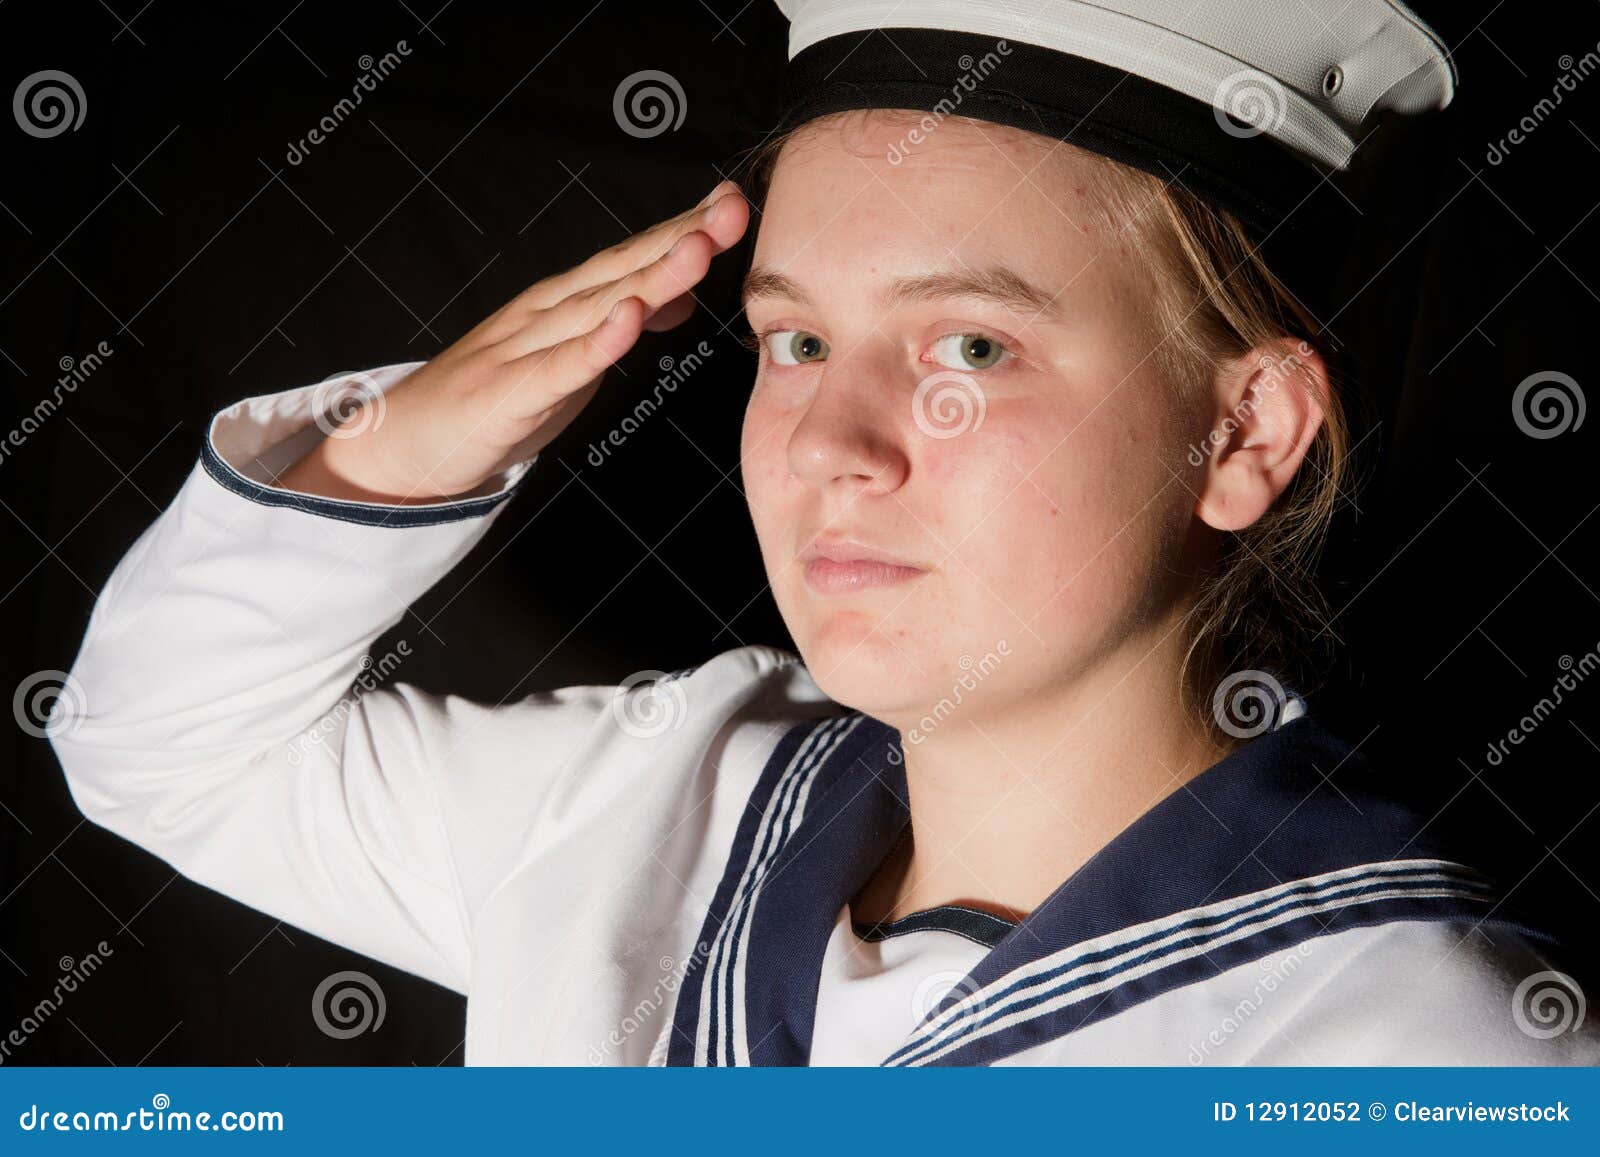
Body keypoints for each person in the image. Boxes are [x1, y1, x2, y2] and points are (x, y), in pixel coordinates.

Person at [48, 0, 1600, 1065]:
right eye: (793, 342)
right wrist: (400, 448)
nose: (832, 448)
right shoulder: (648, 797)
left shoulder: (1427, 1047)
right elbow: (159, 745)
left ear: (1247, 430)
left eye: (969, 349)